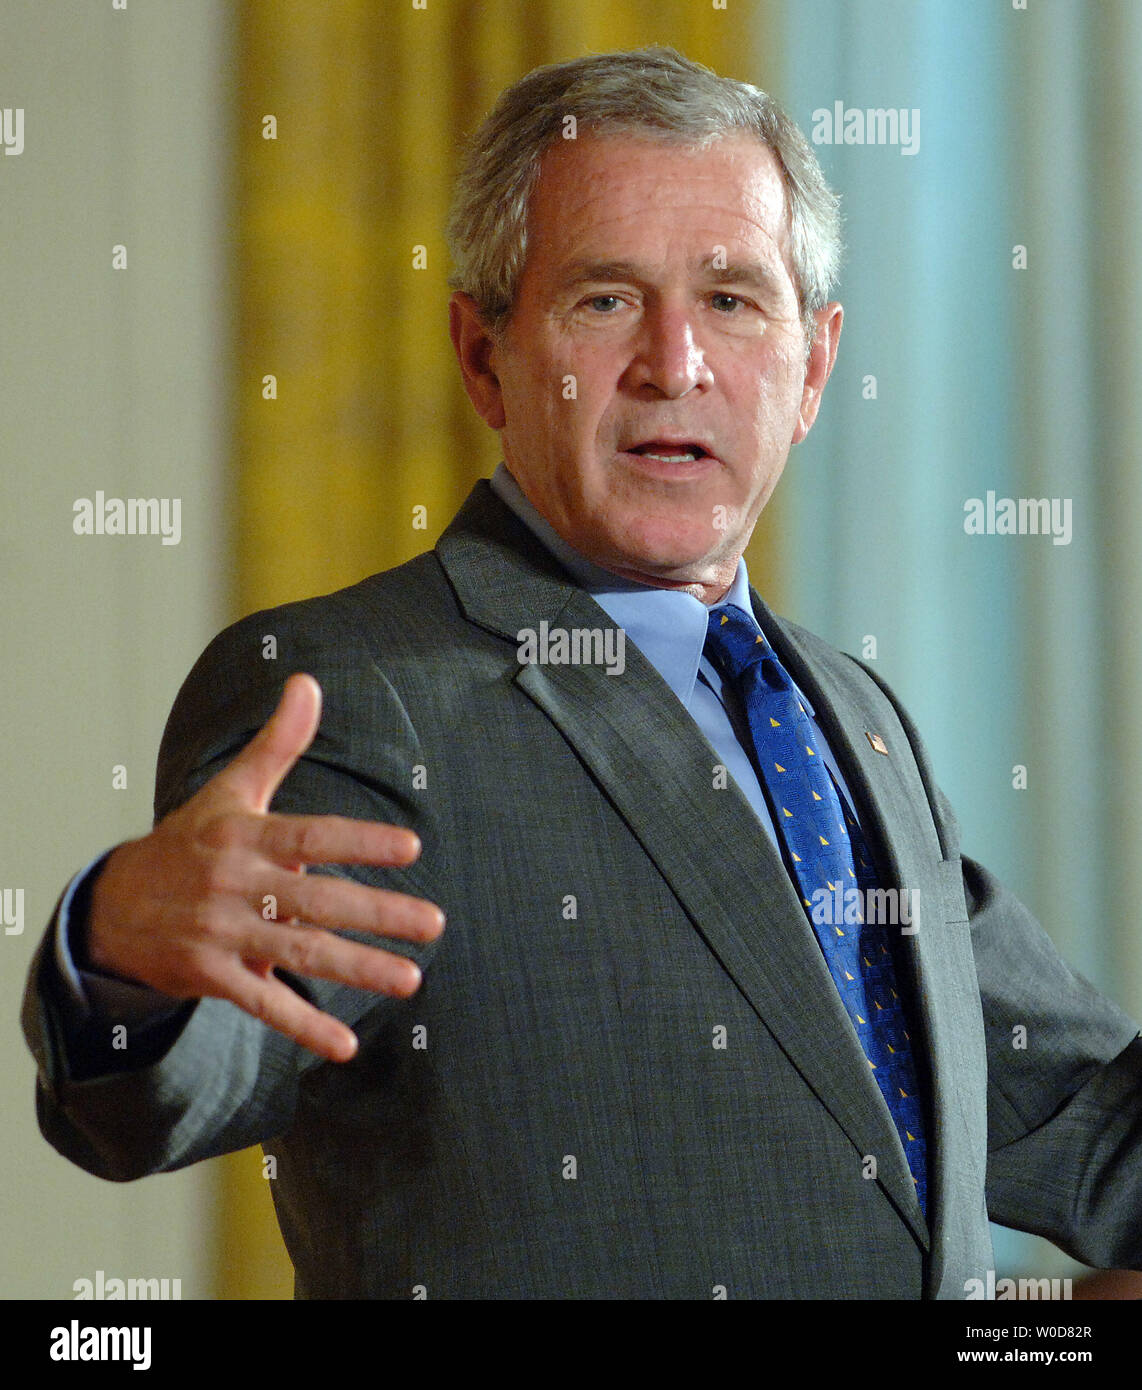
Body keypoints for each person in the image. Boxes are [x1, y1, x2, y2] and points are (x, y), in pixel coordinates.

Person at [22, 47, 1142, 1299]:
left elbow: (1090, 1124)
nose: (676, 362)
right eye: (605, 300)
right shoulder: (357, 693)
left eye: (731, 299)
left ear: (814, 364)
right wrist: (121, 954)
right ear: (482, 358)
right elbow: (180, 1081)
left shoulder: (852, 715)